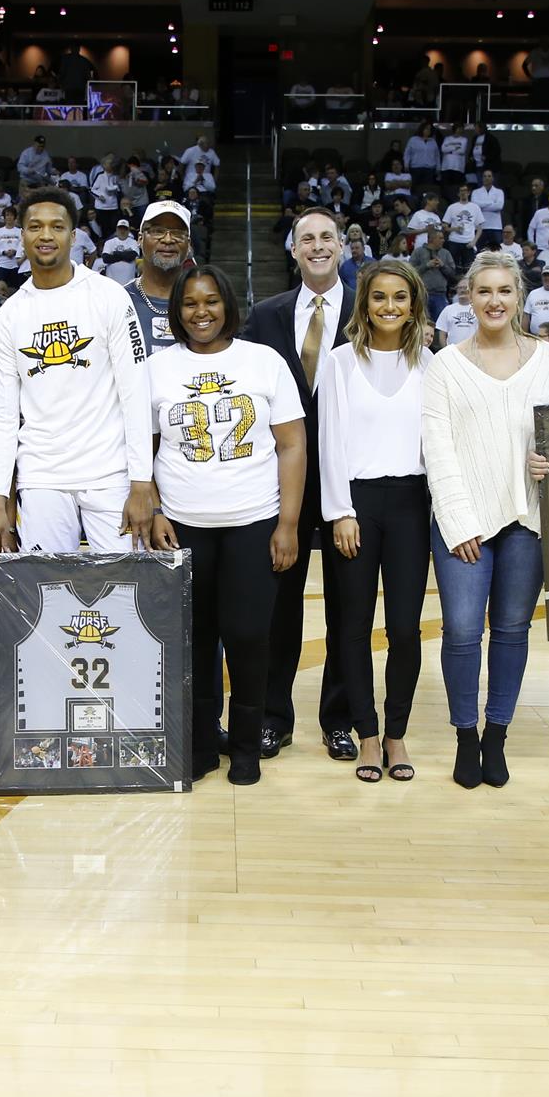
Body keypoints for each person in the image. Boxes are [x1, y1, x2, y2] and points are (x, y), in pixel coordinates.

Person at [146, 266, 305, 785]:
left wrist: (288, 523)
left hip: (252, 521)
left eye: (211, 301)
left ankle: (245, 749)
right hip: (183, 525)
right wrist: (154, 509)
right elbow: (142, 447)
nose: (201, 312)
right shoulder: (156, 368)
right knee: (194, 639)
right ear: (177, 311)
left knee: (247, 636)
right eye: (190, 303)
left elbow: (292, 444)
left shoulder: (264, 361)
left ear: (228, 305)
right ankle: (199, 745)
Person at [423, 251, 549, 788]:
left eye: (504, 291)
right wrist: (459, 523)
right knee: (461, 632)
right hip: (465, 523)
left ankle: (496, 735)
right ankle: (465, 734)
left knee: (510, 632)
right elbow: (436, 448)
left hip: (527, 515)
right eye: (484, 291)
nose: (494, 301)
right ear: (468, 297)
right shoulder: (445, 363)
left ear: (520, 297)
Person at [0, 187, 155, 556]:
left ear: (73, 236)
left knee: (125, 598)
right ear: (22, 235)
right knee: (49, 600)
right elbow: (2, 415)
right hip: (42, 477)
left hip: (111, 474)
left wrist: (142, 483)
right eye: (35, 227)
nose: (46, 235)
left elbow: (135, 391)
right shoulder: (7, 318)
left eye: (57, 227)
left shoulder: (109, 296)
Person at [245, 206, 356, 763]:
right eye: (306, 238)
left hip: (350, 482)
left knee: (347, 604)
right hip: (280, 479)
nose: (317, 246)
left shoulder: (370, 308)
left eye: (326, 237)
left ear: (342, 246)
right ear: (293, 250)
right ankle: (272, 717)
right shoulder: (264, 316)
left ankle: (340, 718)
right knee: (278, 605)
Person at [321, 260, 432, 784]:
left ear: (414, 306)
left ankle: (395, 733)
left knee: (405, 627)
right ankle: (366, 734)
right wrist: (341, 511)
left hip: (412, 502)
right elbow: (329, 445)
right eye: (379, 297)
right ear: (364, 303)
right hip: (356, 505)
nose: (390, 306)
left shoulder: (431, 364)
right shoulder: (340, 363)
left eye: (400, 297)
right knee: (353, 625)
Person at [124, 201, 193, 353]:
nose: (168, 239)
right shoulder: (118, 300)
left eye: (177, 232)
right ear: (140, 238)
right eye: (157, 231)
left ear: (188, 245)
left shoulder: (204, 305)